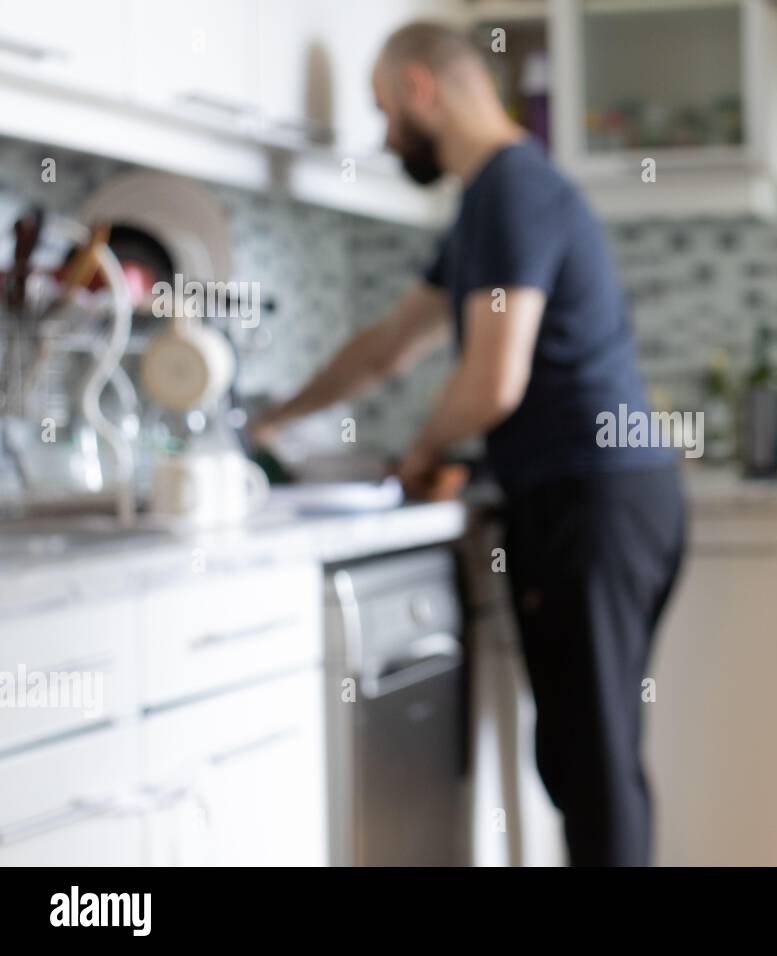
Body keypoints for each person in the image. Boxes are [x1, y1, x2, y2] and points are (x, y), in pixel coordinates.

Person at [252, 21, 686, 867]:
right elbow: (390, 342)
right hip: (608, 498)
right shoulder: (494, 199)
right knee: (579, 757)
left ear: (422, 88)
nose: (384, 138)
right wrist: (278, 418)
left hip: (591, 504)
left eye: (384, 110)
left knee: (592, 767)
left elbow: (494, 380)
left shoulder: (509, 188)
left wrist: (416, 457)